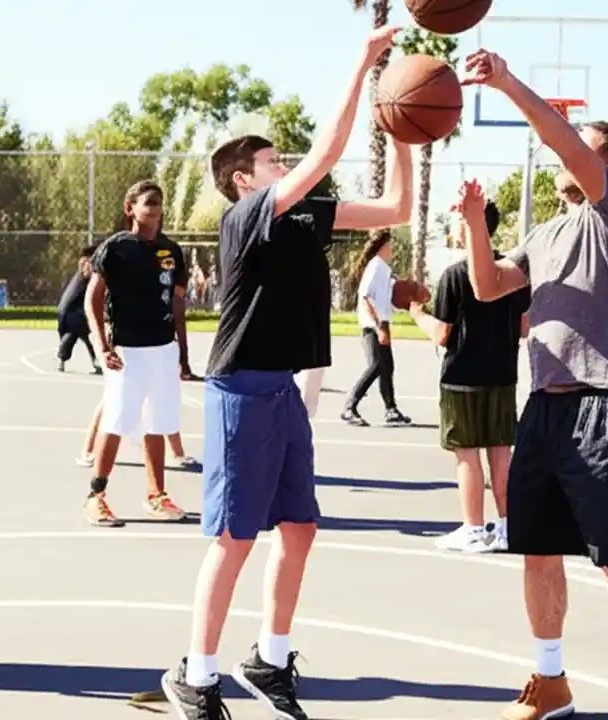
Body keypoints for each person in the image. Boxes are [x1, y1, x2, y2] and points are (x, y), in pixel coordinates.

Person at [158, 25, 412, 720]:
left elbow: (397, 208)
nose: (286, 164)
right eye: (274, 161)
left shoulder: (305, 218)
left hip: (283, 391)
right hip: (241, 389)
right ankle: (195, 676)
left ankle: (268, 660)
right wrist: (366, 65)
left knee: (300, 528)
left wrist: (406, 131)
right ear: (245, 178)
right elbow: (327, 153)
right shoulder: (246, 217)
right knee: (235, 539)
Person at [459, 48, 608, 720]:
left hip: (604, 403)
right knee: (538, 552)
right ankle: (550, 683)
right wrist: (474, 226)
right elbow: (488, 286)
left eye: (585, 145)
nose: (565, 155)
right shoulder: (545, 233)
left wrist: (506, 82)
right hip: (544, 406)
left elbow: (560, 140)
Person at [409, 200, 529, 553]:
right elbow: (524, 327)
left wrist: (416, 313)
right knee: (501, 452)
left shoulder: (454, 275)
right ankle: (508, 525)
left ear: (470, 225)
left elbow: (443, 333)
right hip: (503, 374)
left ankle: (474, 528)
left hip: (462, 376)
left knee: (467, 454)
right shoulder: (514, 272)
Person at [82, 180, 189, 526]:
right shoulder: (116, 248)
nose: (154, 206)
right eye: (148, 201)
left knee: (159, 422)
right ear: (130, 209)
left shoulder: (172, 251)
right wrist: (103, 346)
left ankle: (156, 495)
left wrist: (183, 353)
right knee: (116, 420)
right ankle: (96, 496)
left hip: (164, 349)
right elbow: (92, 299)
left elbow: (177, 303)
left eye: (159, 201)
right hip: (128, 350)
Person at [341, 230, 413, 427]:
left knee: (387, 366)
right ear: (382, 246)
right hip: (372, 325)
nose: (392, 249)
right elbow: (365, 296)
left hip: (382, 323)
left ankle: (391, 410)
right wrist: (378, 325)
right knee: (376, 365)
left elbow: (387, 299)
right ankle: (349, 407)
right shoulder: (375, 266)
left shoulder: (384, 269)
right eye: (390, 245)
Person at [56, 244, 103, 374]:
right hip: (73, 311)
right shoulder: (88, 265)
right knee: (91, 335)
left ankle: (62, 359)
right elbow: (91, 276)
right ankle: (97, 362)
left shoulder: (81, 268)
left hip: (67, 310)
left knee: (73, 334)